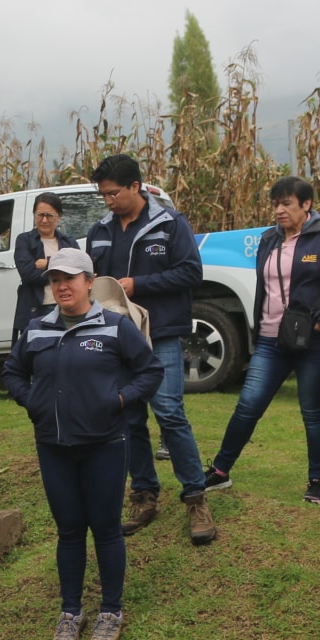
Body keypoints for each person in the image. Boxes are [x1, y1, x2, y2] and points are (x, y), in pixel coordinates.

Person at [3, 248, 163, 640]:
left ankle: (111, 610)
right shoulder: (36, 329)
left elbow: (150, 370)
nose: (62, 286)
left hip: (104, 445)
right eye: (55, 279)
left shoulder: (114, 326)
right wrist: (33, 402)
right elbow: (13, 371)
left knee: (106, 529)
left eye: (70, 279)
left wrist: (120, 400)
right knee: (69, 531)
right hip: (54, 446)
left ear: (89, 282)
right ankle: (70, 612)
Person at [203, 177, 320, 505]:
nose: (279, 210)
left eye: (287, 203)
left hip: (314, 342)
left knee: (313, 411)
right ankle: (220, 471)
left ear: (306, 204)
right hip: (271, 341)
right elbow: (264, 287)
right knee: (248, 405)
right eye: (276, 204)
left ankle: (318, 480)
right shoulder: (269, 239)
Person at [85, 154, 213, 544]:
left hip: (161, 335)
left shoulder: (170, 224)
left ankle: (196, 498)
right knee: (129, 417)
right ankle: (143, 495)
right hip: (117, 338)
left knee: (170, 413)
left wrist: (138, 285)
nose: (108, 201)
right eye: (103, 195)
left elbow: (191, 272)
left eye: (113, 193)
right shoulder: (99, 231)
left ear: (136, 187)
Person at [13, 192, 79, 340]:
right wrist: (63, 271)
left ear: (58, 217)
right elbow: (28, 274)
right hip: (38, 309)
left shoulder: (69, 242)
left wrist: (49, 263)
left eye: (49, 216)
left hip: (66, 307)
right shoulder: (25, 240)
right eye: (40, 215)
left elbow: (78, 271)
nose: (44, 220)